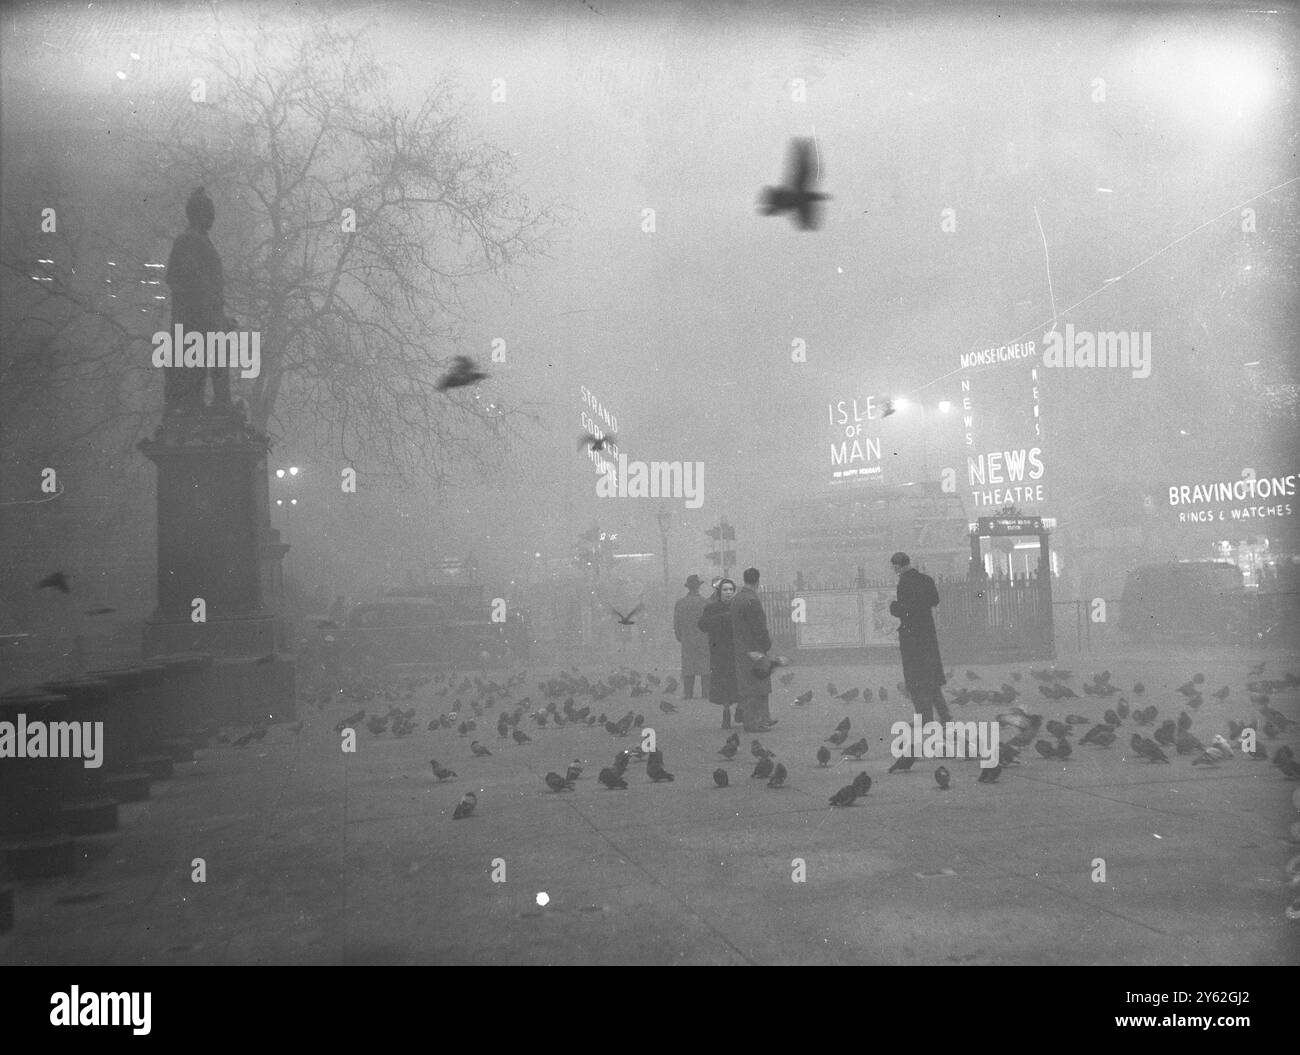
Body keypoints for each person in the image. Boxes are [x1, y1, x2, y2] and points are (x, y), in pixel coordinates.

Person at [165, 186, 233, 413]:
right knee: (210, 362)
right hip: (197, 316)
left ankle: (221, 405)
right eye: (208, 212)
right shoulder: (187, 240)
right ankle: (217, 405)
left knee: (216, 361)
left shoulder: (200, 240)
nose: (212, 217)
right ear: (197, 214)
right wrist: (209, 311)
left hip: (209, 312)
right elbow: (178, 278)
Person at [889, 552, 952, 728]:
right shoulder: (926, 579)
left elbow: (905, 610)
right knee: (932, 679)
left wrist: (894, 607)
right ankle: (945, 715)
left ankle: (924, 718)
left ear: (897, 566)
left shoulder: (904, 583)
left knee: (915, 681)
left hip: (912, 637)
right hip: (928, 635)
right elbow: (935, 600)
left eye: (894, 568)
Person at [732, 567, 777, 733]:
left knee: (751, 685)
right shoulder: (752, 600)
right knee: (756, 686)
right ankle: (754, 722)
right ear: (757, 582)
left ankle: (763, 719)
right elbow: (759, 627)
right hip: (754, 650)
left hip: (741, 648)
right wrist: (766, 645)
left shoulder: (737, 599)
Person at [698, 578, 738, 728]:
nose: (728, 593)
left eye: (731, 590)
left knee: (739, 682)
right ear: (719, 592)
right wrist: (721, 619)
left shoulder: (738, 606)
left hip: (736, 650)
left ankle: (740, 709)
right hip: (720, 652)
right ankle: (726, 713)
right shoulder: (712, 608)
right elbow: (702, 625)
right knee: (725, 685)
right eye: (725, 590)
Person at [673, 574, 711, 700]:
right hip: (703, 639)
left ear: (688, 587)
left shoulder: (680, 603)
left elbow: (677, 623)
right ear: (698, 587)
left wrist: (680, 636)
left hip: (687, 640)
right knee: (705, 667)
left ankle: (688, 693)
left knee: (688, 667)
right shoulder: (705, 603)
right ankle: (706, 693)